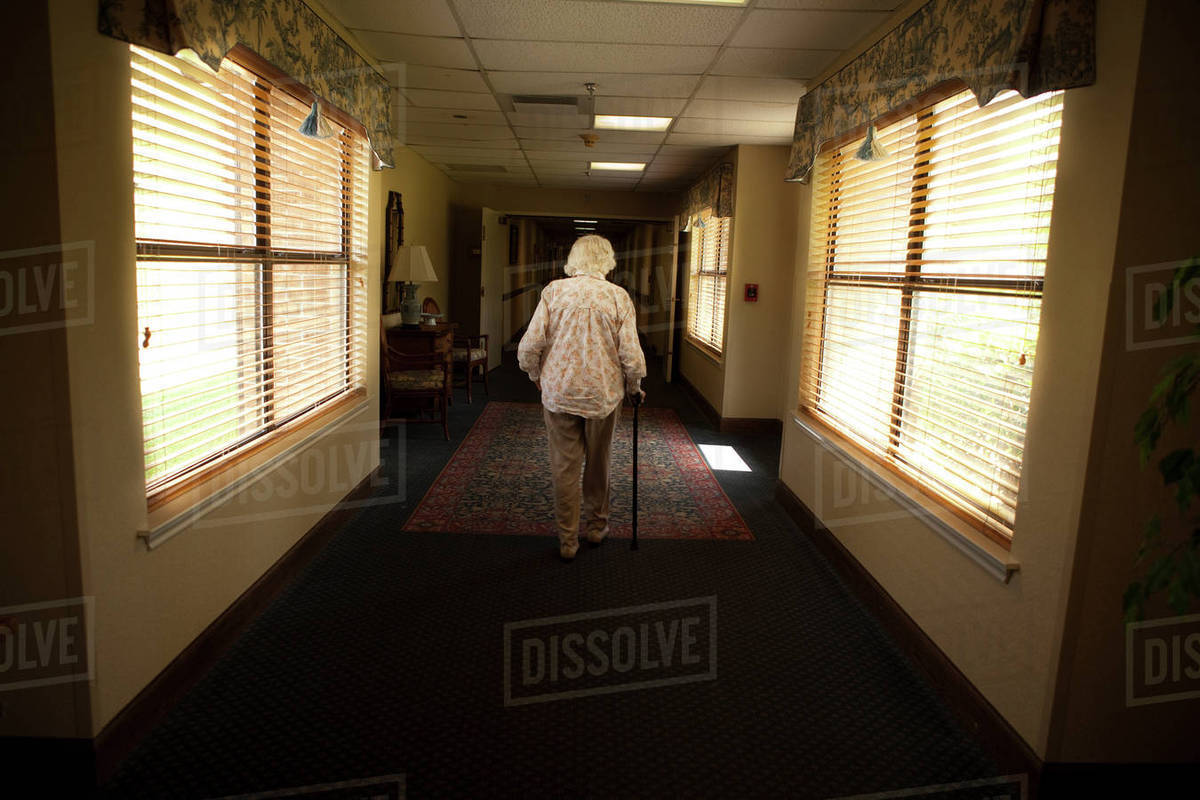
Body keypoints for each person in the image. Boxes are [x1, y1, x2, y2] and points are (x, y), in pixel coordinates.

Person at [517, 235, 647, 562]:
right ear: (607, 261)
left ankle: (567, 540)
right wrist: (634, 387)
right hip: (603, 395)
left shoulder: (553, 292)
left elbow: (529, 347)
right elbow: (631, 354)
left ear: (573, 259)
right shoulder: (617, 297)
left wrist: (536, 377)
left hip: (559, 393)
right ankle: (596, 527)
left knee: (564, 468)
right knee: (598, 462)